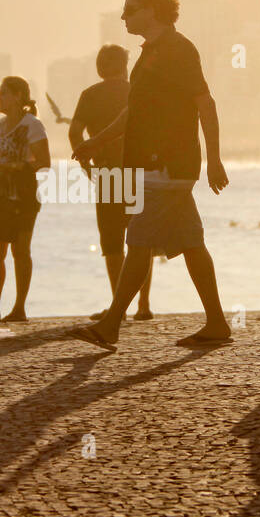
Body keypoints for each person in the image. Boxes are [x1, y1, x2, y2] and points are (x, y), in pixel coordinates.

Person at [68, 0, 230, 352]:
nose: (123, 15)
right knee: (191, 242)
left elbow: (205, 104)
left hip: (169, 166)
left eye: (131, 7)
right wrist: (96, 141)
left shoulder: (178, 49)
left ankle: (110, 324)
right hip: (158, 167)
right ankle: (218, 322)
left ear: (153, 9)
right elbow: (133, 112)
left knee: (138, 241)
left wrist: (215, 160)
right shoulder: (151, 53)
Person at [69, 44, 153, 320]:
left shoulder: (90, 95)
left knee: (113, 242)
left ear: (100, 67)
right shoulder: (137, 90)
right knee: (141, 240)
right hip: (138, 172)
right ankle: (143, 305)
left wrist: (85, 163)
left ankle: (120, 306)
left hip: (106, 174)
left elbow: (74, 132)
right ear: (125, 65)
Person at [0, 76, 51, 324]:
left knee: (20, 251)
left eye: (3, 93)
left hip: (22, 198)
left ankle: (19, 308)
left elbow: (44, 162)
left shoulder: (32, 125)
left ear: (17, 96)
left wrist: (17, 166)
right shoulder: (0, 125)